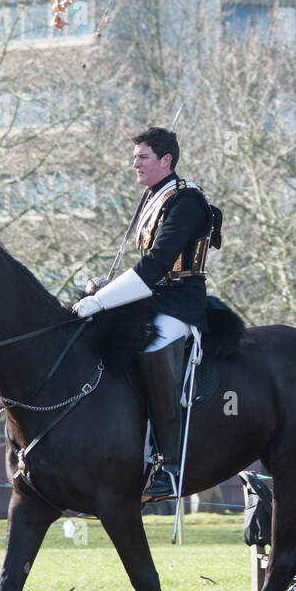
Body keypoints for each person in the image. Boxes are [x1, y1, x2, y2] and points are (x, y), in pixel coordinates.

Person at [73, 127, 217, 502]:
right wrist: (101, 292)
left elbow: (155, 266)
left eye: (142, 157)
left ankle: (171, 465)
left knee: (152, 348)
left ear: (165, 160)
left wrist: (103, 299)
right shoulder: (154, 197)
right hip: (153, 298)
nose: (134, 163)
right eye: (135, 157)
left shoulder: (185, 201)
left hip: (180, 302)